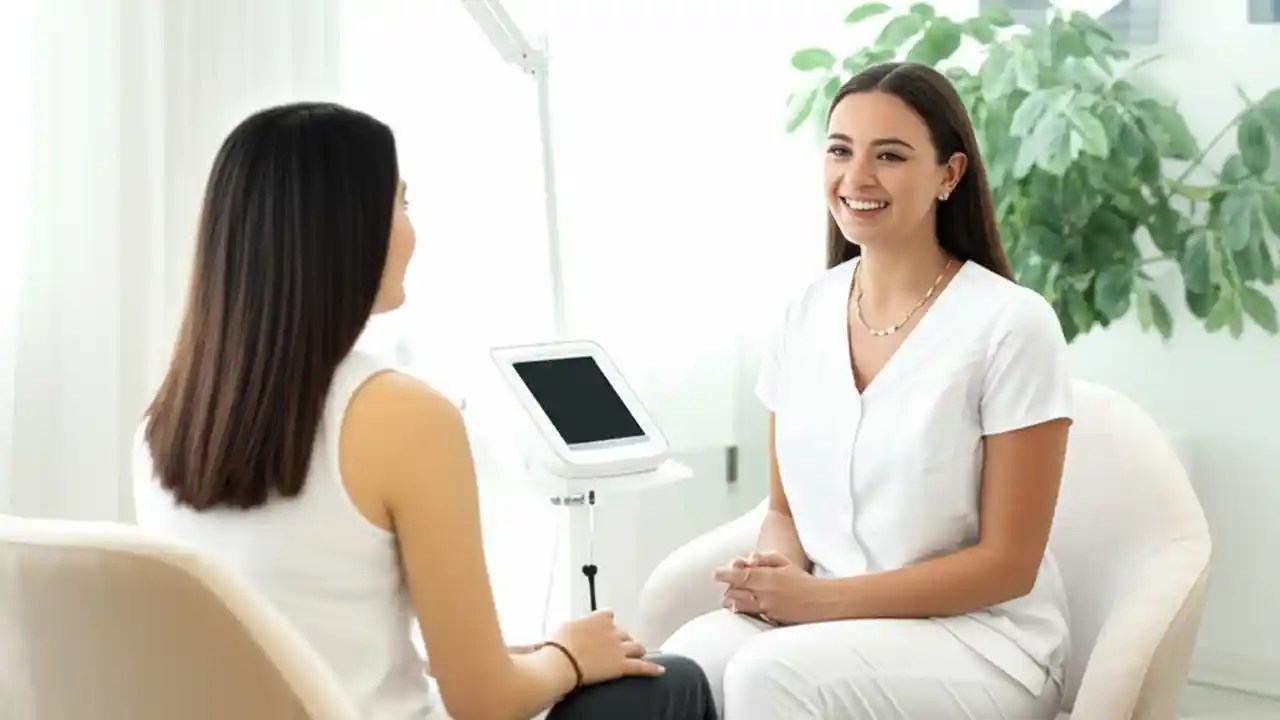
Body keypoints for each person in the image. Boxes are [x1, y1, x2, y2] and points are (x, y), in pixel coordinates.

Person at [133, 102, 715, 720]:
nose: (412, 230)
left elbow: (309, 623)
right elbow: (484, 703)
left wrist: (520, 658)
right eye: (401, 204)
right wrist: (568, 655)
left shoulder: (164, 425)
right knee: (669, 683)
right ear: (346, 231)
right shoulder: (402, 414)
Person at [661, 62, 1073, 719]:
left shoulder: (1011, 325)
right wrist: (773, 576)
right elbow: (786, 512)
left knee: (772, 676)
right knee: (684, 666)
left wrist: (817, 602)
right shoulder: (802, 313)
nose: (857, 178)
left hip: (980, 640)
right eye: (839, 150)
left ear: (949, 174)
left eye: (890, 155)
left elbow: (1008, 566)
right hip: (831, 621)